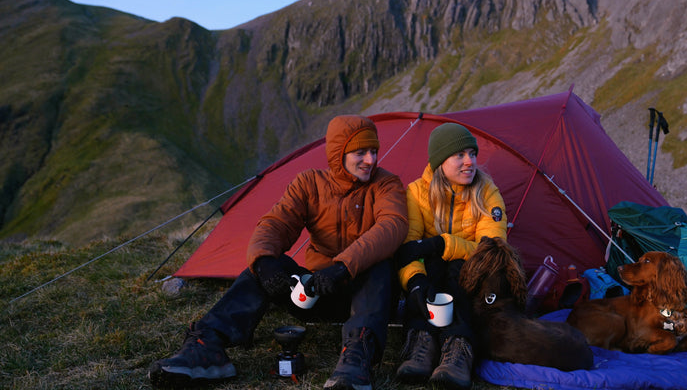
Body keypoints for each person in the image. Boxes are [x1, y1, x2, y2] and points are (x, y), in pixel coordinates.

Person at [148, 115, 409, 390]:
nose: (370, 160)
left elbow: (392, 226)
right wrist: (264, 263)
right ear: (338, 153)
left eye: (374, 151)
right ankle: (207, 345)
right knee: (267, 265)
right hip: (316, 292)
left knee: (379, 266)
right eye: (360, 152)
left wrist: (343, 267)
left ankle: (356, 360)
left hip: (368, 297)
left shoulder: (386, 184)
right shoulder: (310, 183)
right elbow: (277, 223)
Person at [394, 122, 508, 390]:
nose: (470, 162)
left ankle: (459, 347)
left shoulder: (487, 192)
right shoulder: (417, 193)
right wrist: (414, 282)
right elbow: (408, 248)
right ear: (440, 161)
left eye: (472, 154)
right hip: (432, 276)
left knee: (457, 266)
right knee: (429, 269)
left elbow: (491, 249)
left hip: (472, 278)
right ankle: (421, 341)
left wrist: (441, 243)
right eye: (460, 155)